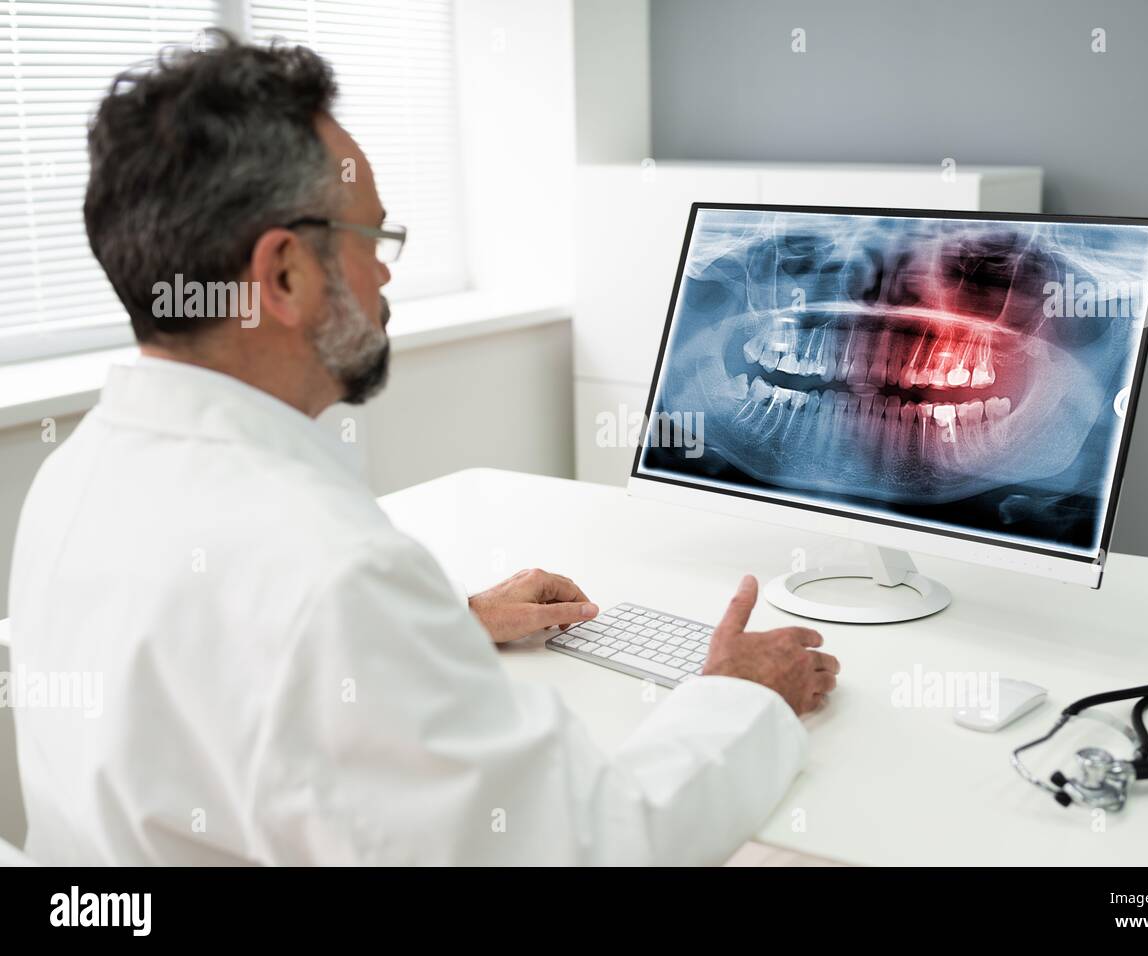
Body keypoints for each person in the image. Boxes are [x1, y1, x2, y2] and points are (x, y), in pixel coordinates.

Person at [8, 32, 838, 865]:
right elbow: (590, 846)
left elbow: (215, 695)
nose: (385, 277)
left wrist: (440, 631)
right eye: (371, 239)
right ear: (286, 274)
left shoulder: (72, 478)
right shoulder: (330, 574)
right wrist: (739, 697)